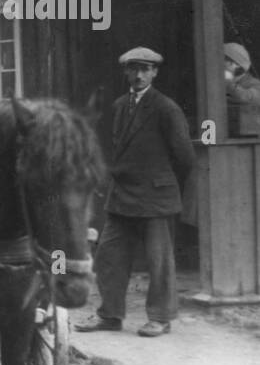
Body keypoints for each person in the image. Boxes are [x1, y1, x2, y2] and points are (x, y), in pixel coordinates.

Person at [77, 47, 195, 338]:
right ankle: (110, 314)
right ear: (126, 72)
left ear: (155, 72)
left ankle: (160, 317)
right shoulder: (120, 105)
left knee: (159, 262)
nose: (139, 75)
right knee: (109, 257)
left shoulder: (166, 108)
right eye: (134, 69)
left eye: (145, 69)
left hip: (155, 197)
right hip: (123, 195)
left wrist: (161, 183)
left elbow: (185, 158)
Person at [224, 42, 260, 138]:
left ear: (236, 64)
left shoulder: (254, 84)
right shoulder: (221, 85)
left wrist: (228, 82)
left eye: (224, 61)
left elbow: (246, 98)